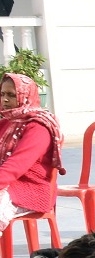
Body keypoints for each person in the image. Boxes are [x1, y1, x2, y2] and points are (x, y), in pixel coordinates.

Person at [0, 72, 64, 233]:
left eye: (11, 95)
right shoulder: (7, 122)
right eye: (2, 94)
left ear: (24, 96)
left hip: (31, 189)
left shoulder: (39, 127)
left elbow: (15, 166)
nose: (4, 99)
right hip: (6, 184)